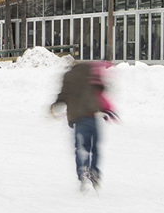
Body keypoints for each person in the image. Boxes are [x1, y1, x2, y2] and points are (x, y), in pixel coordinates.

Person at [50, 60, 116, 190]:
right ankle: (94, 171)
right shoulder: (91, 73)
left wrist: (55, 105)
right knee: (95, 147)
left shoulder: (68, 76)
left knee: (81, 148)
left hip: (77, 117)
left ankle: (83, 172)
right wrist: (106, 109)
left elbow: (63, 95)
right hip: (92, 116)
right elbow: (101, 89)